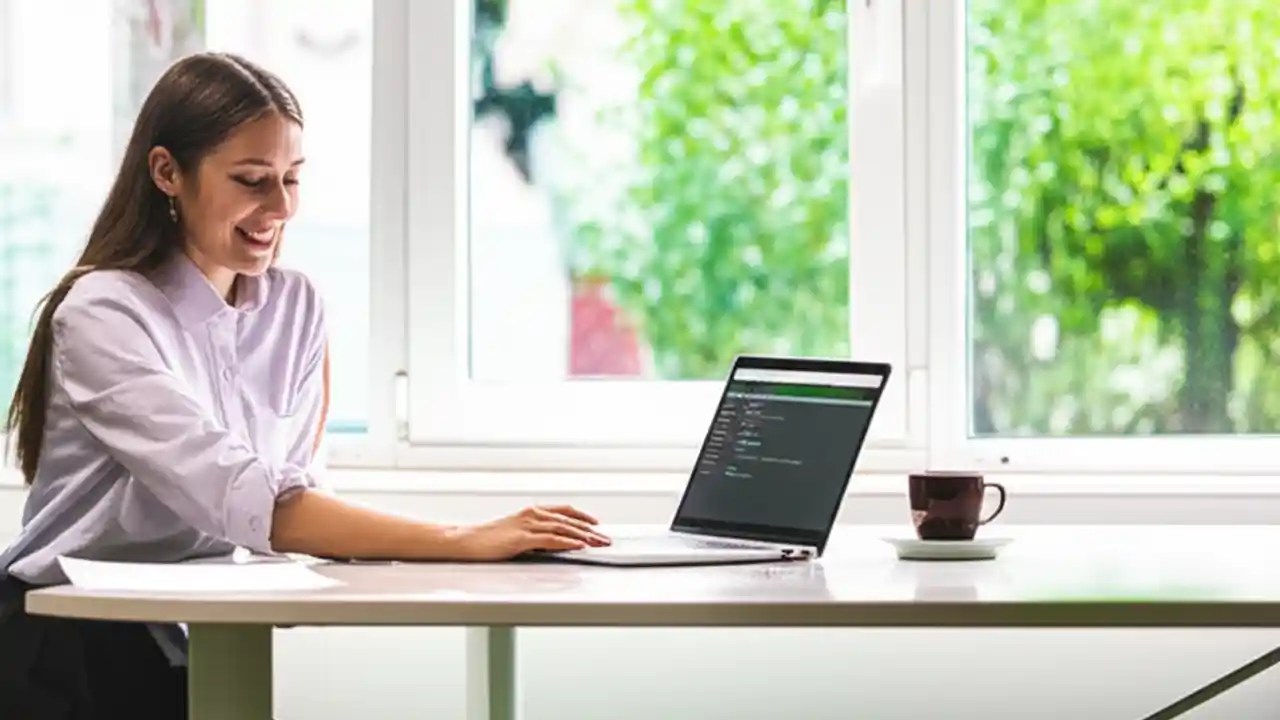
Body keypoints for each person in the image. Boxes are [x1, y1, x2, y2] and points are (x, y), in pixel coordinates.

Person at [0, 52, 609, 719]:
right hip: (55, 638)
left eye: (292, 178)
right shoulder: (104, 312)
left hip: (171, 630)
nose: (282, 206)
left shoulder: (294, 308)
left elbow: (296, 496)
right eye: (252, 180)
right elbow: (242, 494)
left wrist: (467, 551)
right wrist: (460, 539)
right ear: (167, 172)